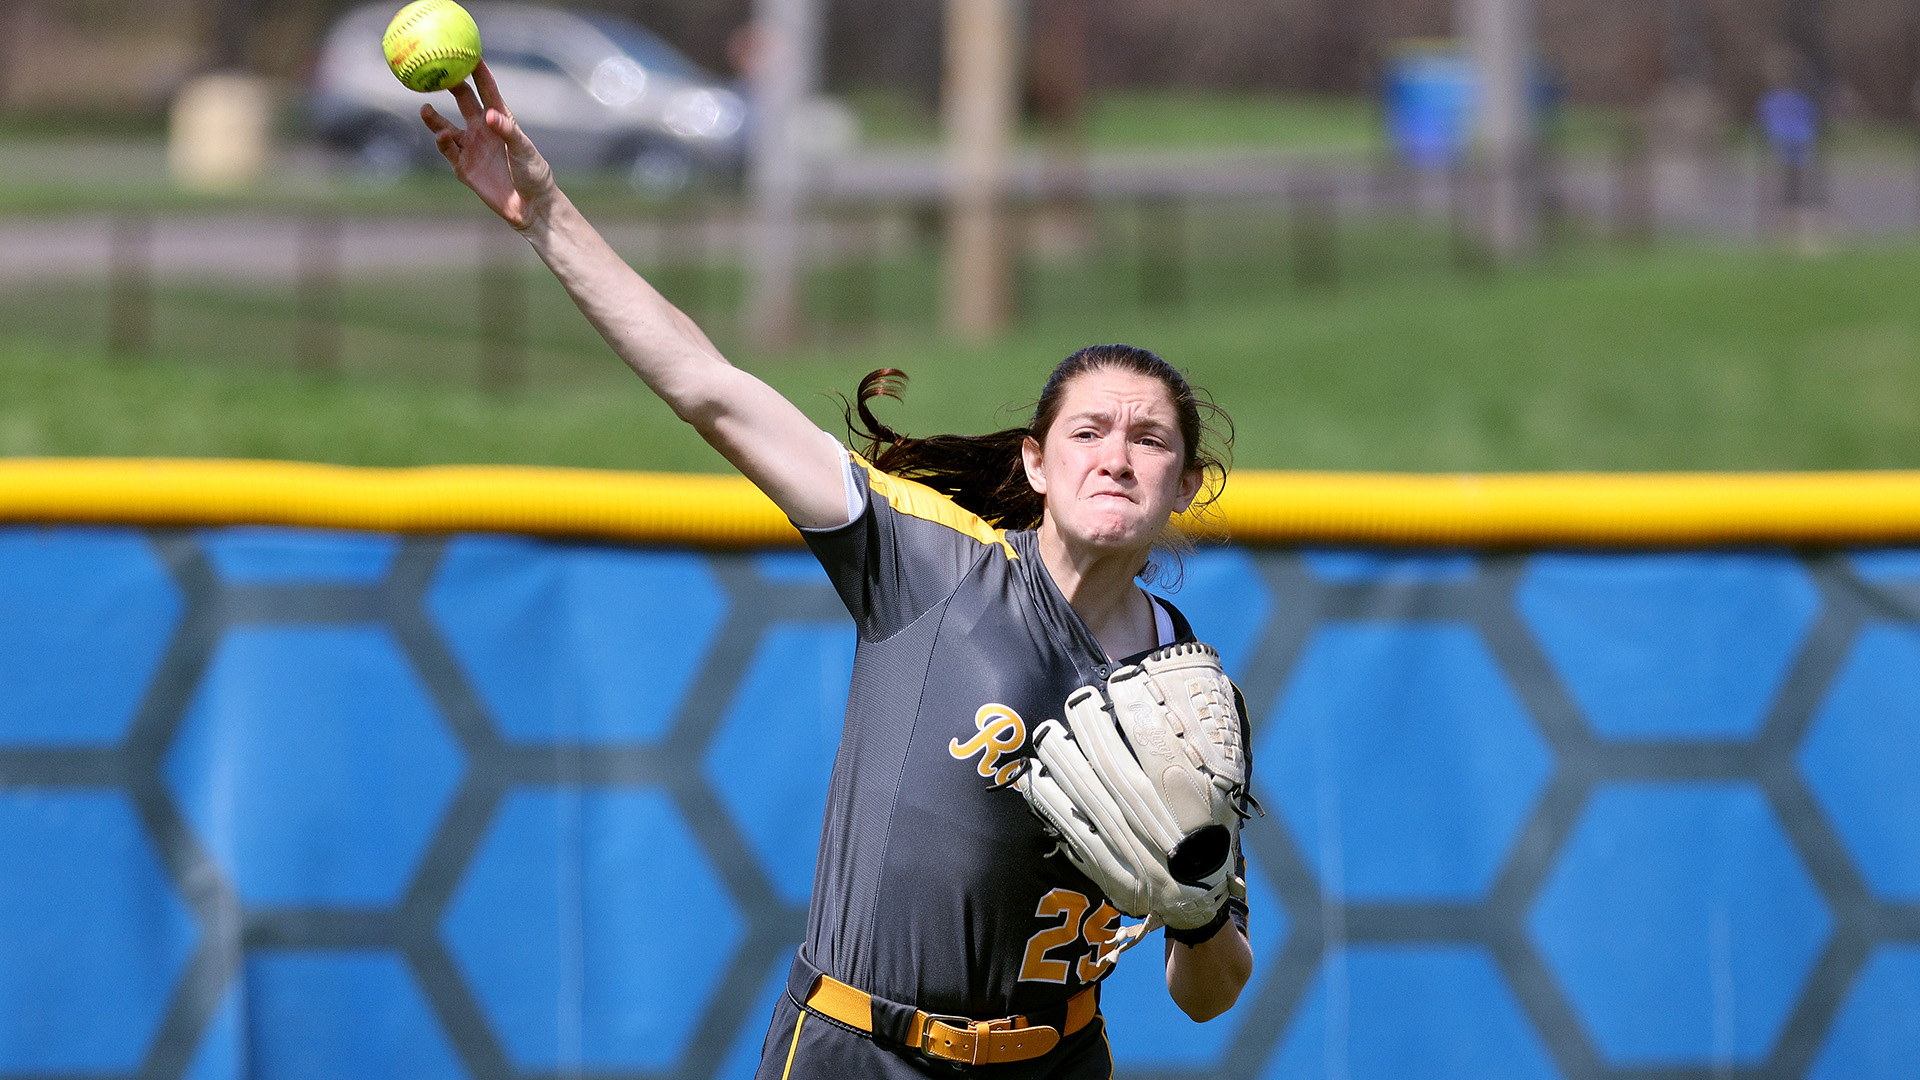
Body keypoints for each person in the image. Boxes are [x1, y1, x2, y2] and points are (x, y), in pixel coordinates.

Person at [420, 64, 1253, 1079]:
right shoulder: (928, 565)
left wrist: (1204, 915)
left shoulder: (1188, 694)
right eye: (1087, 430)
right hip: (861, 1055)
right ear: (1037, 464)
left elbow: (1208, 998)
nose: (1116, 454)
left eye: (1150, 439)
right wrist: (545, 214)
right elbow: (708, 388)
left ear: (1185, 484)